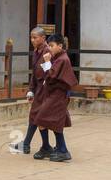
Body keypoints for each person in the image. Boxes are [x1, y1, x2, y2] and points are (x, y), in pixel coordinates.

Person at [32, 33, 77, 162]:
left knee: (44, 120)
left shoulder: (63, 59)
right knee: (50, 121)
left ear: (60, 46)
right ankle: (53, 148)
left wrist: (46, 61)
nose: (50, 48)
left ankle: (61, 149)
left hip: (58, 95)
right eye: (49, 45)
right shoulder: (58, 57)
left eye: (52, 46)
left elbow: (51, 76)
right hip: (53, 94)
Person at [20, 26, 51, 155]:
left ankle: (31, 144)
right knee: (36, 116)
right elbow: (34, 72)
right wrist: (31, 90)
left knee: (37, 116)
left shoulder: (48, 51)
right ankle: (33, 145)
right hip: (38, 87)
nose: (32, 40)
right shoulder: (37, 51)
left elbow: (50, 72)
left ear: (43, 38)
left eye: (35, 37)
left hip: (46, 88)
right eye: (31, 38)